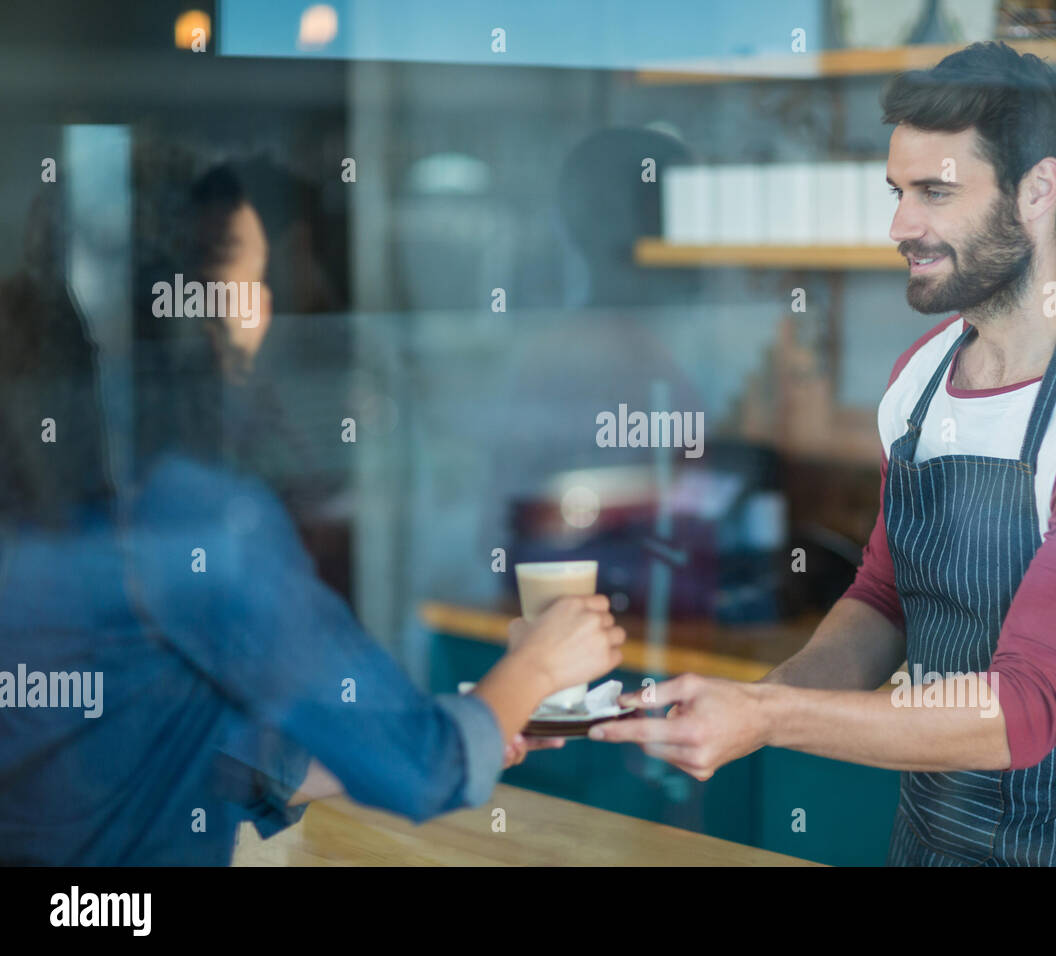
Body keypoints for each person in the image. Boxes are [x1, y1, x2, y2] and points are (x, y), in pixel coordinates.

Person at [593, 42, 1056, 867]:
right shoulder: (921, 379)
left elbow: (1025, 708)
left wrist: (773, 722)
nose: (900, 227)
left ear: (1039, 189)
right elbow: (886, 597)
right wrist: (753, 700)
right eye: (897, 191)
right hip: (931, 840)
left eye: (935, 192)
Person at [0, 165, 624, 865]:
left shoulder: (67, 516)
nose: (264, 309)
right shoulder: (197, 522)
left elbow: (190, 759)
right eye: (254, 281)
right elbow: (422, 770)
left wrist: (481, 711)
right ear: (191, 303)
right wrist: (538, 669)